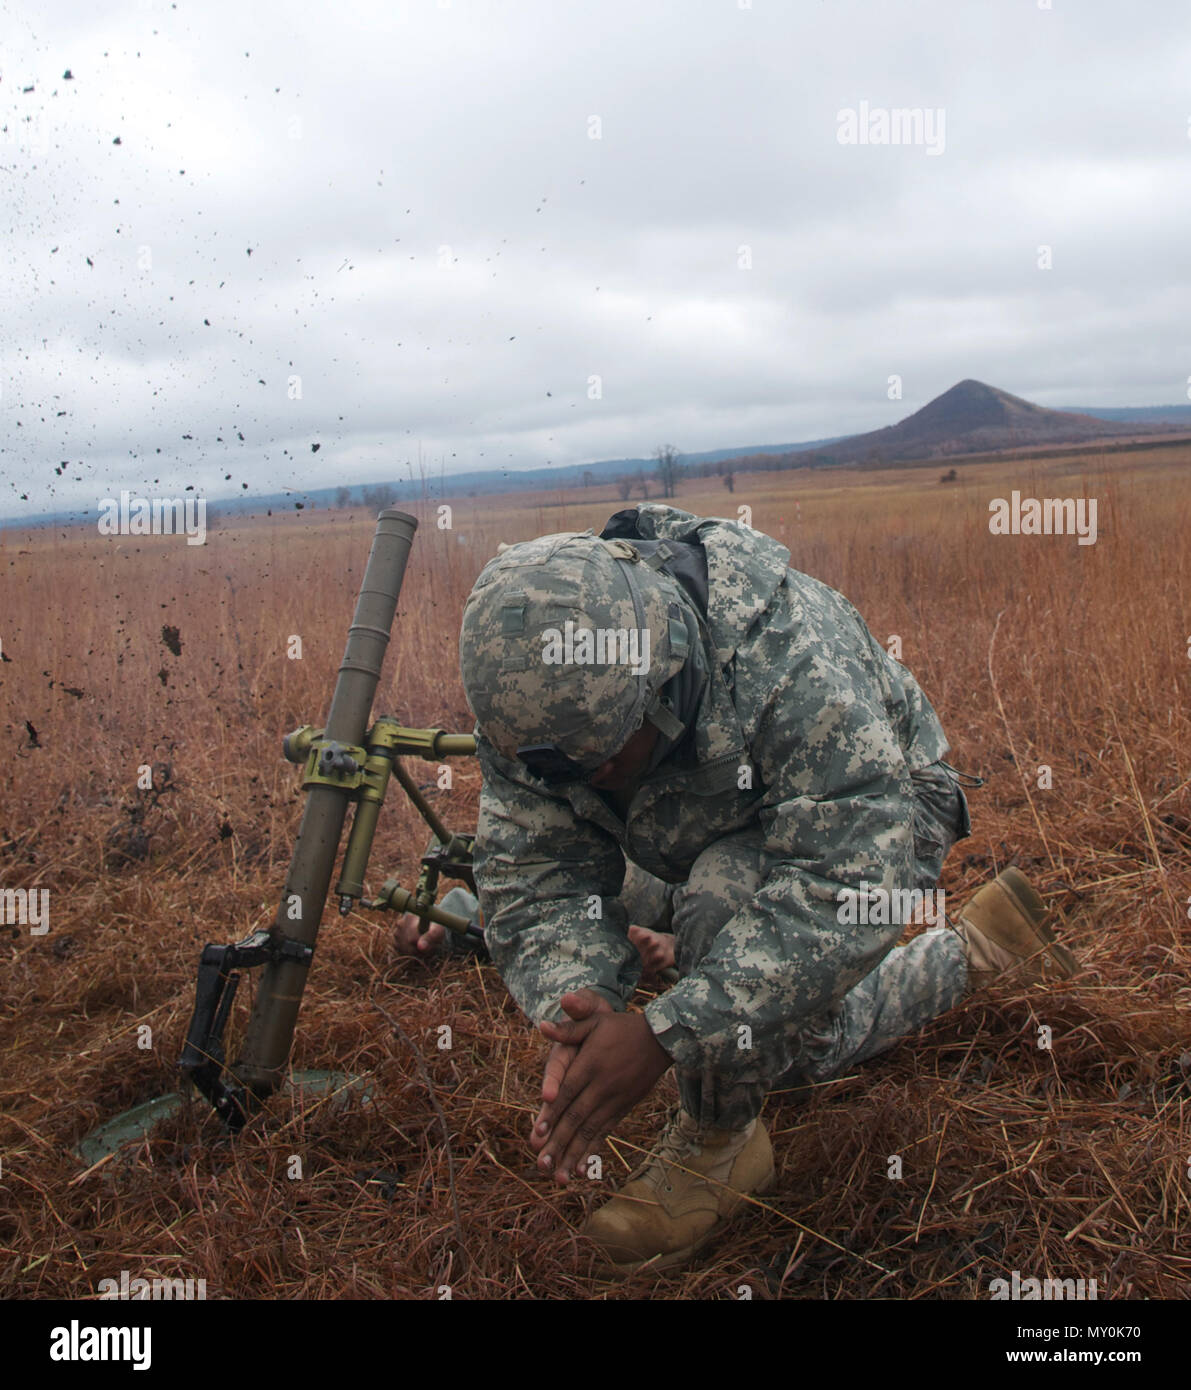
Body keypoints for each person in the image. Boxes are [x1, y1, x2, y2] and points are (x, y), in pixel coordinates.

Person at [400, 503, 1078, 1276]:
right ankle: (779, 1001)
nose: (582, 783)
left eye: (604, 760)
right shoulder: (538, 689)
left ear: (663, 680)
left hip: (875, 826)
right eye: (560, 770)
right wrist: (581, 1006)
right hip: (687, 822)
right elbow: (533, 872)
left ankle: (723, 1141)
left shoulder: (785, 655)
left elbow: (844, 877)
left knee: (760, 991)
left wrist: (666, 1036)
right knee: (716, 959)